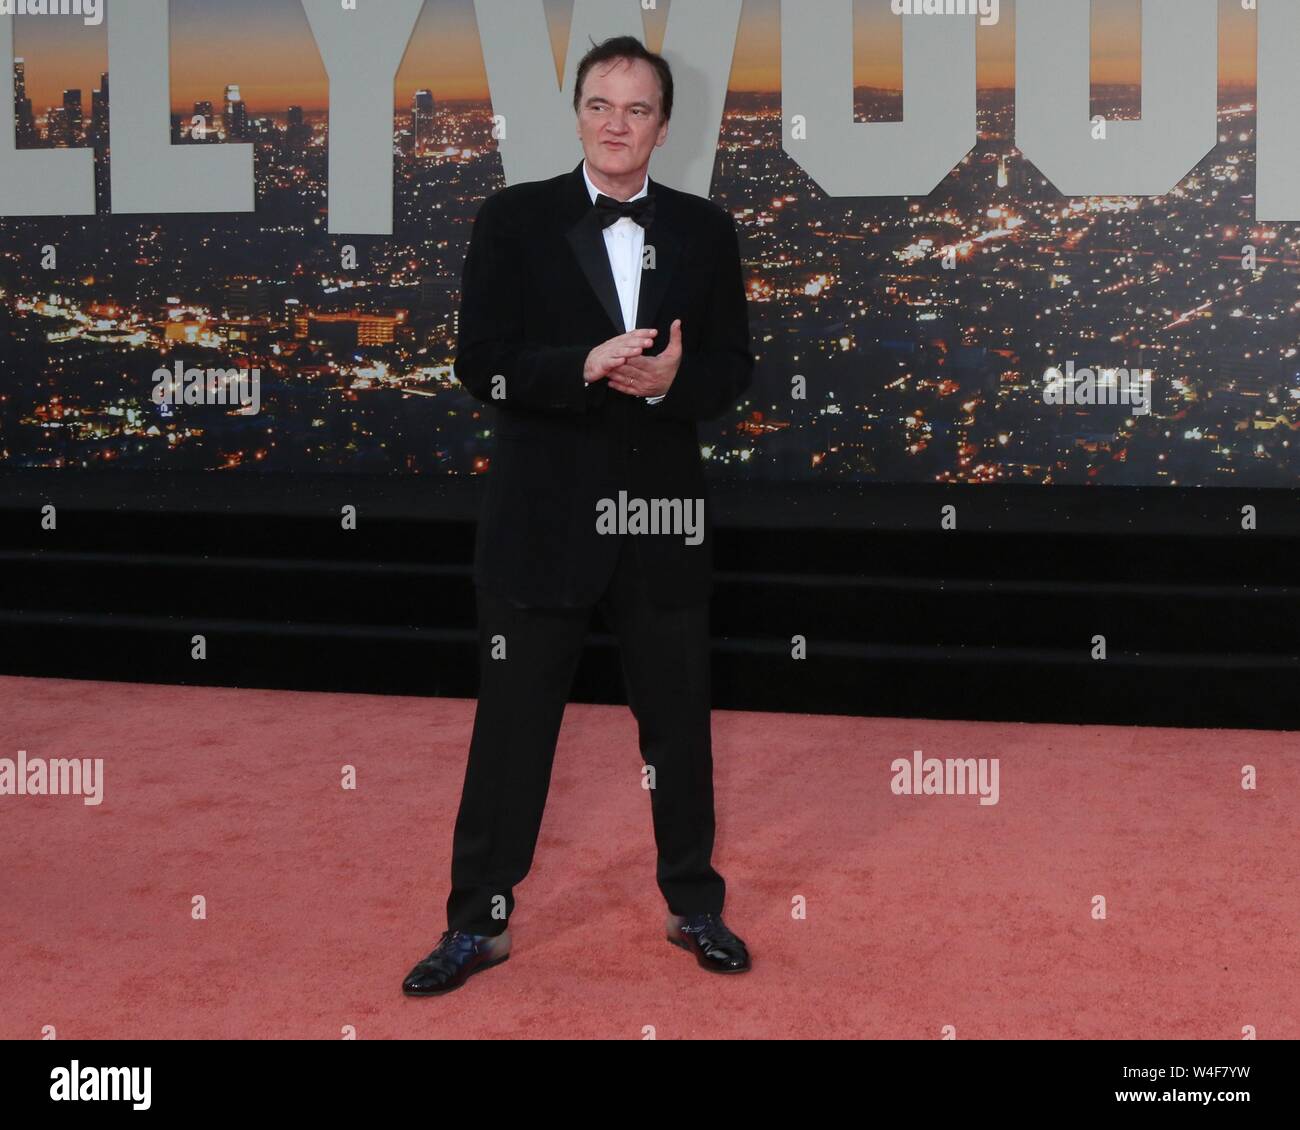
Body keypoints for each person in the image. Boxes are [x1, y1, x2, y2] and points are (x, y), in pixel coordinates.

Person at [402, 34, 755, 996]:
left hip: (660, 521)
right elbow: (481, 359)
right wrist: (583, 367)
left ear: (665, 126)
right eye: (602, 104)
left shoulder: (705, 228)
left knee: (678, 728)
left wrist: (677, 381)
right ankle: (479, 923)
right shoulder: (514, 218)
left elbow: (733, 370)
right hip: (540, 521)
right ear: (578, 113)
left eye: (637, 109)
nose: (617, 124)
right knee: (513, 732)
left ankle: (695, 905)